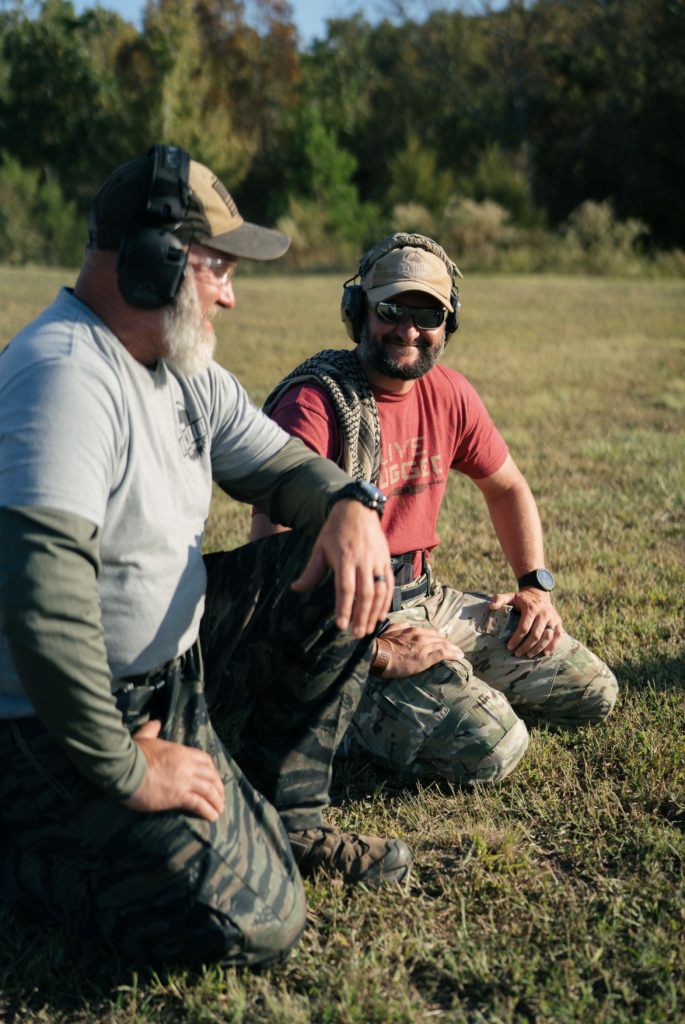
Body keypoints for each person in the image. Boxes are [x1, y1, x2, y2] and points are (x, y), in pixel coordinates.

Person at [0, 148, 413, 970]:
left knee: (342, 563)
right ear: (154, 263)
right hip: (49, 723)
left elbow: (283, 468)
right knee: (252, 921)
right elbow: (42, 610)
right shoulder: (64, 379)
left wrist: (348, 506)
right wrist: (123, 769)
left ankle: (290, 820)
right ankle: (23, 851)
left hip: (170, 673)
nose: (229, 292)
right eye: (216, 268)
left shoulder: (180, 370)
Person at [251, 233, 619, 787]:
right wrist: (371, 651)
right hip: (346, 621)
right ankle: (341, 712)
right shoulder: (314, 404)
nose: (408, 330)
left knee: (595, 691)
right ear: (359, 311)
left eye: (428, 315)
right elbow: (268, 555)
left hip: (427, 597)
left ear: (449, 325)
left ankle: (439, 689)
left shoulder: (449, 391)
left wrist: (534, 586)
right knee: (495, 743)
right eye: (392, 309)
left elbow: (508, 487)